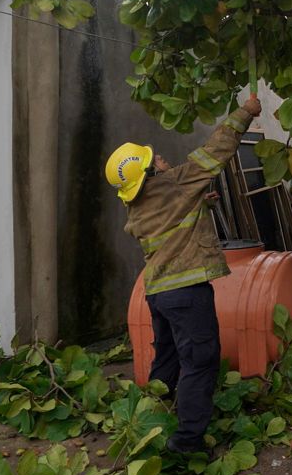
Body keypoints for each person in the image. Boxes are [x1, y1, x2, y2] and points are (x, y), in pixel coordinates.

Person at [103, 93, 262, 455]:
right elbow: (216, 151)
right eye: (153, 158)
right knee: (200, 361)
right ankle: (187, 442)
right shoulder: (175, 184)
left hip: (158, 292)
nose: (160, 157)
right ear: (151, 173)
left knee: (169, 359)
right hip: (187, 292)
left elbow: (172, 218)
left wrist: (199, 202)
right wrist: (245, 112)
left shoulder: (139, 208)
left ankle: (153, 421)